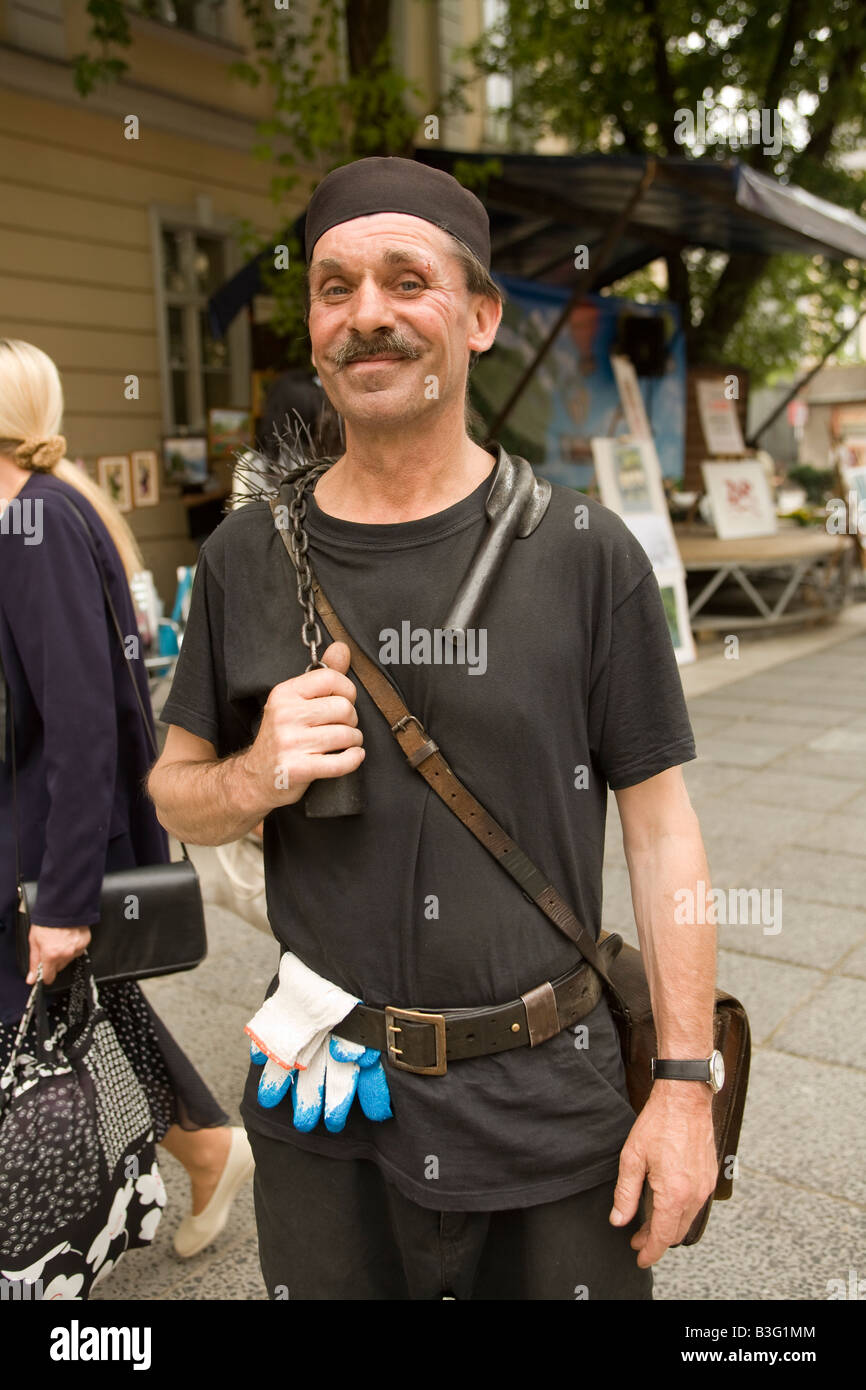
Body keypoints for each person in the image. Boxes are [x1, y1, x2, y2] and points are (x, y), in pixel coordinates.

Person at [148, 157, 719, 1301]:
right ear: (311, 325)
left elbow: (664, 837)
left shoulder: (583, 553)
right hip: (330, 1101)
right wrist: (256, 772)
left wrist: (681, 1088)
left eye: (406, 281)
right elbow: (172, 787)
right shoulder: (245, 557)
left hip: (550, 1106)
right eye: (332, 286)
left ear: (479, 316)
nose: (367, 315)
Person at [0, 339, 254, 1274]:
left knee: (50, 1021)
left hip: (45, 849)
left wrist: (64, 900)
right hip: (37, 838)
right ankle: (206, 1148)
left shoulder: (39, 521)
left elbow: (80, 727)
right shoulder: (31, 513)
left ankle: (71, 1233)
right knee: (89, 1009)